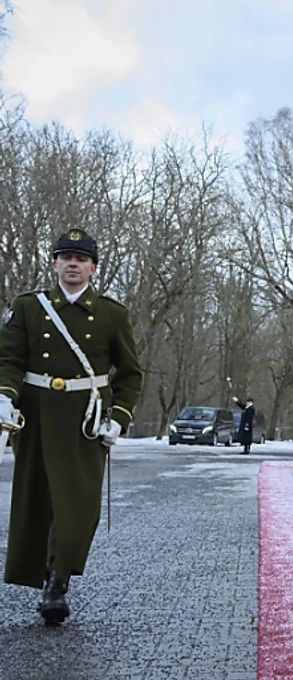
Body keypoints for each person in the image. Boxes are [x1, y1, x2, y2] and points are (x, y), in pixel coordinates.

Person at [0, 229, 143, 626]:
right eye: (65, 257)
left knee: (79, 509)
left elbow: (130, 373)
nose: (73, 264)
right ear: (54, 264)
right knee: (38, 501)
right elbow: (9, 357)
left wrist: (119, 417)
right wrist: (4, 395)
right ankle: (49, 582)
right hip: (37, 415)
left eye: (81, 258)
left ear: (93, 267)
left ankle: (59, 575)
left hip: (86, 420)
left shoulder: (113, 314)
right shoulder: (29, 307)